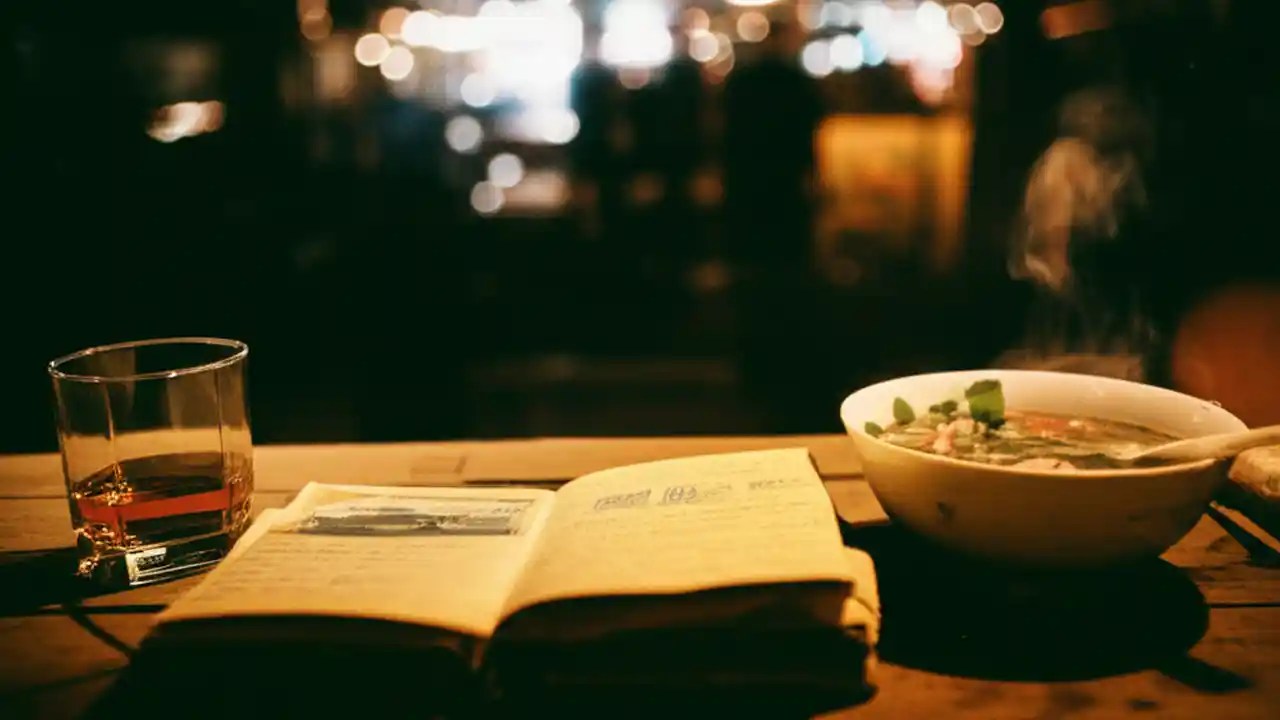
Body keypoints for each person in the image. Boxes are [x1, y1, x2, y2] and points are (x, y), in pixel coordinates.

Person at [721, 17, 826, 430]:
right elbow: (810, 142)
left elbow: (725, 137)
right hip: (785, 197)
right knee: (787, 279)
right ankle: (786, 369)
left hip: (747, 195)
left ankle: (754, 368)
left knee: (751, 281)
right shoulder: (797, 83)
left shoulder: (742, 81)